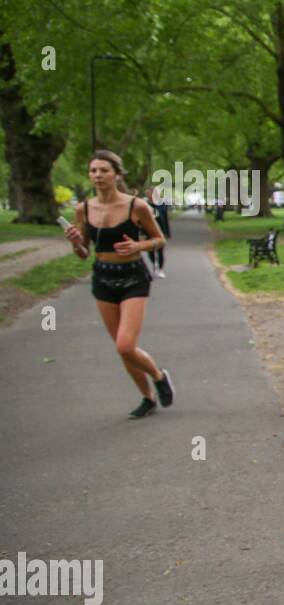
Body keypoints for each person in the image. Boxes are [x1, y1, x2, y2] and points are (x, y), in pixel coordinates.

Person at [63, 150, 176, 419]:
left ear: (116, 174)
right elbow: (83, 254)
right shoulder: (84, 209)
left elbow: (159, 239)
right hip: (103, 277)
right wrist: (75, 242)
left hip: (133, 276)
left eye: (104, 170)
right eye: (93, 171)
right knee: (122, 350)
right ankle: (148, 398)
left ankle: (159, 377)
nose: (98, 175)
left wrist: (138, 245)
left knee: (125, 345)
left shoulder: (135, 206)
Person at [147, 184, 171, 278]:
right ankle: (154, 266)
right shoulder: (145, 205)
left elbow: (165, 220)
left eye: (151, 193)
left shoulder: (162, 205)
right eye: (148, 193)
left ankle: (160, 269)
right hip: (148, 232)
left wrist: (167, 233)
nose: (149, 195)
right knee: (150, 251)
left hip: (160, 231)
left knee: (160, 251)